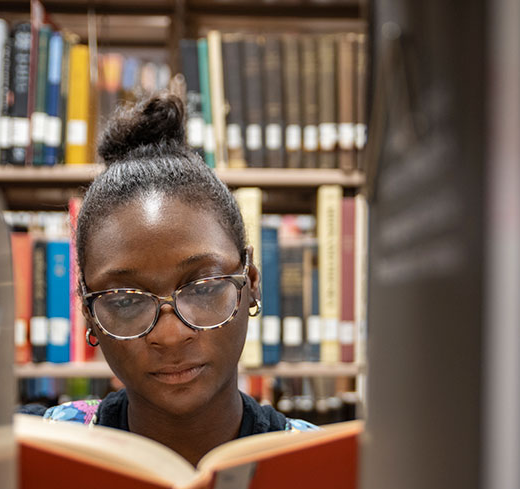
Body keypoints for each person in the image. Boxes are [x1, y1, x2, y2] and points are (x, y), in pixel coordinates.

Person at [42, 92, 317, 466]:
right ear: (90, 315)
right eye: (126, 300)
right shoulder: (42, 456)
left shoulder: (319, 468)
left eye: (203, 288)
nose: (170, 336)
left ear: (250, 283)